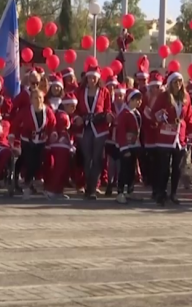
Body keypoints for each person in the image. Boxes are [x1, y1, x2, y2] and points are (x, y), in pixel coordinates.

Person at [153, 71, 192, 206]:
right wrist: (162, 117)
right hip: (165, 137)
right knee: (164, 168)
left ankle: (173, 193)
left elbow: (189, 118)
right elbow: (155, 113)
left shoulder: (186, 97)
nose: (178, 84)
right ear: (170, 84)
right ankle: (161, 193)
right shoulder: (163, 97)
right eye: (175, 82)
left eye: (180, 81)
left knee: (177, 168)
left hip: (180, 137)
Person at [10, 88, 55, 199]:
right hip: (27, 140)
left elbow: (52, 123)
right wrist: (12, 136)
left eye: (40, 97)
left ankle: (29, 183)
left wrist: (53, 133)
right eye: (35, 98)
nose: (38, 100)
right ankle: (27, 184)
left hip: (41, 140)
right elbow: (16, 123)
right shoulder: (25, 111)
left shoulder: (47, 110)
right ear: (31, 100)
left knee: (38, 163)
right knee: (30, 162)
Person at [75, 66, 112, 200]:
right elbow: (75, 108)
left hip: (99, 128)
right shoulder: (79, 91)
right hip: (85, 128)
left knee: (97, 159)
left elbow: (108, 108)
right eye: (89, 77)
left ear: (98, 79)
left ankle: (92, 189)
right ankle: (87, 185)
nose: (91, 80)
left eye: (94, 78)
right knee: (87, 158)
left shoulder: (104, 91)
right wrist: (77, 118)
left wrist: (108, 116)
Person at [47, 92, 78, 200]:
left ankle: (58, 190)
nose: (74, 108)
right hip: (60, 146)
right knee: (59, 169)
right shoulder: (62, 116)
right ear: (65, 105)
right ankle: (52, 190)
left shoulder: (66, 116)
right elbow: (61, 130)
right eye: (72, 106)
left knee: (63, 170)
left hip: (64, 146)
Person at [115, 88, 143, 204]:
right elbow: (121, 131)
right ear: (130, 100)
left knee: (132, 170)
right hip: (126, 146)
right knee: (124, 169)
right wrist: (124, 148)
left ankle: (130, 191)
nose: (139, 102)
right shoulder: (124, 114)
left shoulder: (136, 112)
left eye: (140, 100)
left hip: (135, 145)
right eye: (136, 100)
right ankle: (120, 192)